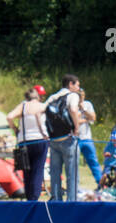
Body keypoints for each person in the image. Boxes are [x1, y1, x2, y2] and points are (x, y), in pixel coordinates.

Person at [45, 74, 84, 202]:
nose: (79, 88)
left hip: (54, 139)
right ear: (70, 84)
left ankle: (56, 199)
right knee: (72, 172)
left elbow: (42, 111)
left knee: (55, 173)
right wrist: (77, 128)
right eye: (77, 85)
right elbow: (73, 109)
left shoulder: (53, 97)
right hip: (68, 138)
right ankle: (71, 200)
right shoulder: (72, 96)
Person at [7, 87, 48, 201]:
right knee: (38, 170)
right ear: (38, 97)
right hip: (40, 139)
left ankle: (29, 197)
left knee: (27, 171)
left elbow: (9, 116)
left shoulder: (23, 106)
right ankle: (34, 198)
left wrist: (15, 129)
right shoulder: (42, 106)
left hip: (24, 141)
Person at [75, 93, 100, 187]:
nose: (82, 97)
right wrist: (85, 120)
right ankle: (75, 186)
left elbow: (93, 117)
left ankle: (100, 183)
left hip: (87, 139)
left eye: (83, 95)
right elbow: (74, 121)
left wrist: (83, 109)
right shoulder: (72, 105)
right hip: (75, 139)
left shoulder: (88, 104)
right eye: (80, 95)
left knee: (93, 161)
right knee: (74, 164)